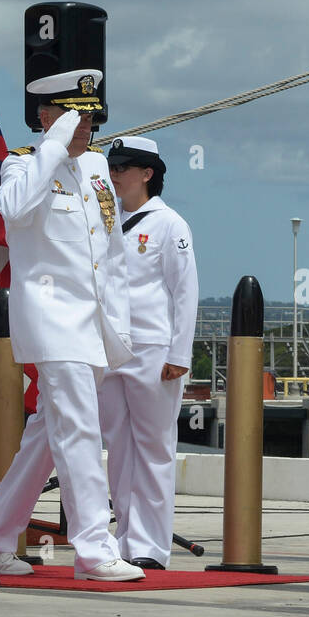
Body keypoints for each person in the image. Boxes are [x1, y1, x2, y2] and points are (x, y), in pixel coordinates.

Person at [0, 69, 142, 582]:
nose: (84, 129)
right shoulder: (22, 166)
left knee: (47, 437)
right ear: (47, 118)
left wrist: (119, 324)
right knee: (78, 428)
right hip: (52, 321)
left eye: (89, 118)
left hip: (91, 323)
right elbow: (12, 211)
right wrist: (51, 145)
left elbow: (110, 252)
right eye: (73, 117)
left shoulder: (96, 169)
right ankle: (94, 548)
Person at [97, 136, 198, 570]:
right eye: (112, 166)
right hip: (110, 347)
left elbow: (185, 291)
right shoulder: (102, 219)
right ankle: (126, 541)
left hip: (153, 346)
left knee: (154, 448)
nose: (114, 174)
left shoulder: (168, 223)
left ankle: (151, 545)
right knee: (118, 448)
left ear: (146, 174)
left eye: (122, 167)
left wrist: (180, 353)